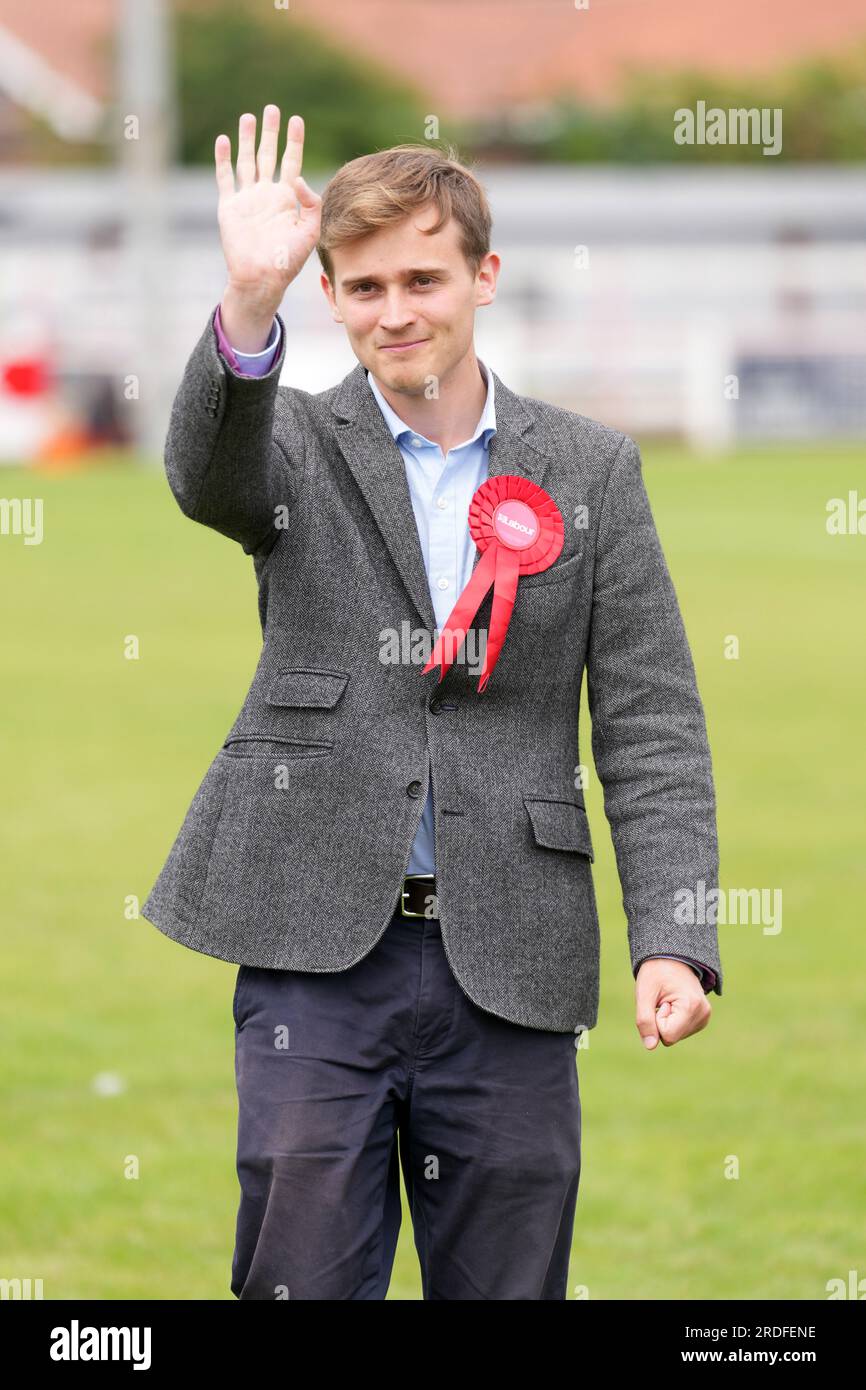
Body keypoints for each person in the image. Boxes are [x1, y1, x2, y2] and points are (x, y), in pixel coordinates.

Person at [142, 106, 722, 1301]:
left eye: (420, 277)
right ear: (331, 296)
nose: (392, 311)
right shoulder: (291, 439)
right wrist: (249, 300)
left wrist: (674, 933)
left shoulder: (590, 469)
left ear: (483, 276)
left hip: (509, 956)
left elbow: (650, 719)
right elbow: (204, 473)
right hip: (315, 953)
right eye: (359, 288)